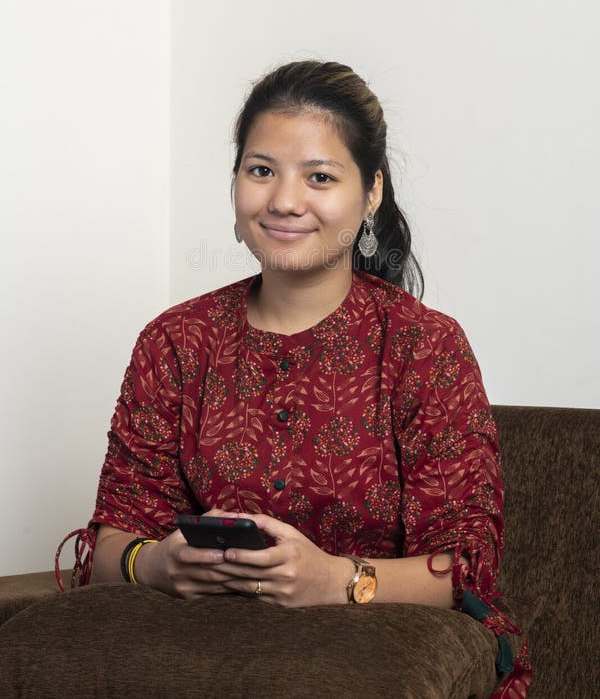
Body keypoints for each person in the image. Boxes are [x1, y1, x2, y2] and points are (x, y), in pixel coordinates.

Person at [57, 60, 531, 695]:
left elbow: (466, 569)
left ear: (371, 193)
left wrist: (333, 579)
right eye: (261, 171)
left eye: (320, 176)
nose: (283, 199)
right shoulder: (176, 340)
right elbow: (112, 541)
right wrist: (161, 564)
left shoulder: (425, 345)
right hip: (206, 659)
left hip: (376, 665)